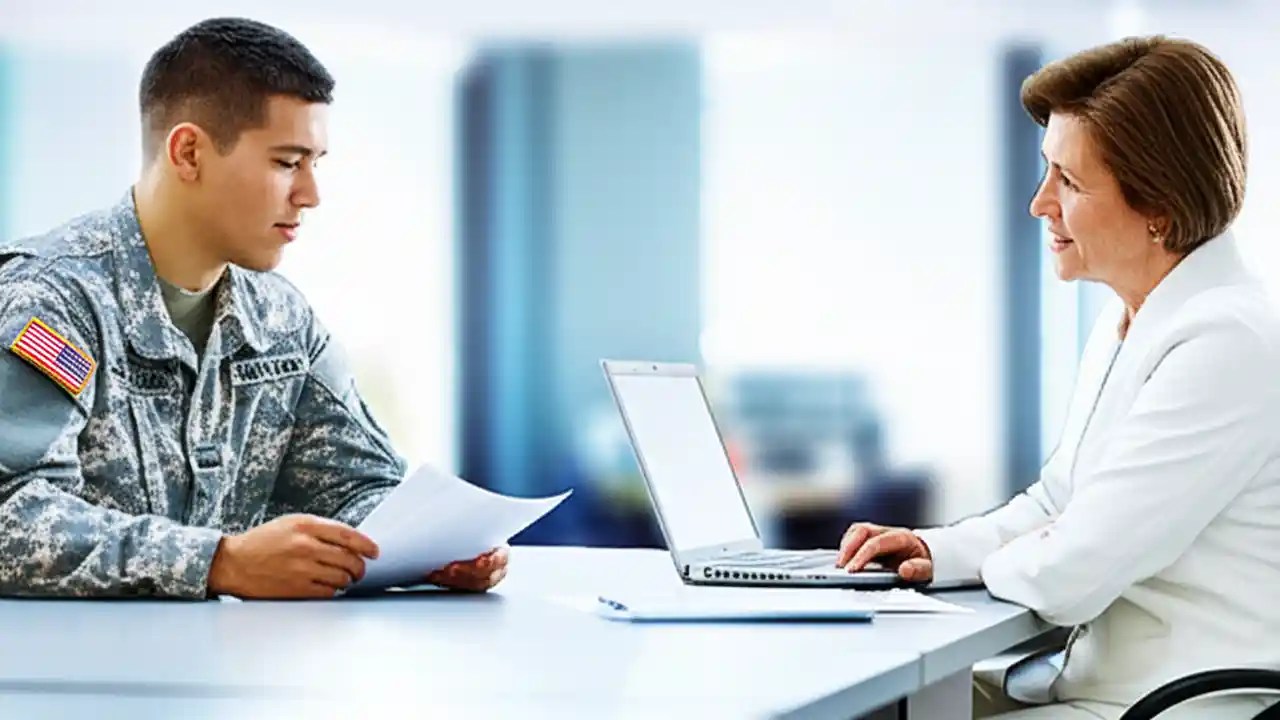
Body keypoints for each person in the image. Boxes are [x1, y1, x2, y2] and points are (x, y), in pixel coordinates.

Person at [836, 36, 1280, 719]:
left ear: (1158, 207)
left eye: (1068, 182)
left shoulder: (1227, 341)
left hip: (1171, 706)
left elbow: (1072, 572)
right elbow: (1057, 505)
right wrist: (934, 549)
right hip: (1097, 689)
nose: (1040, 203)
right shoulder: (1131, 322)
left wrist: (1020, 558)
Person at [0, 17, 508, 600]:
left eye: (316, 162)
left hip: (229, 676)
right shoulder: (52, 301)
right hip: (67, 683)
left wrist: (433, 545)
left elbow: (357, 485)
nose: (311, 194)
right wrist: (219, 563)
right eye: (288, 162)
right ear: (188, 152)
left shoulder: (282, 320)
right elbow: (10, 514)